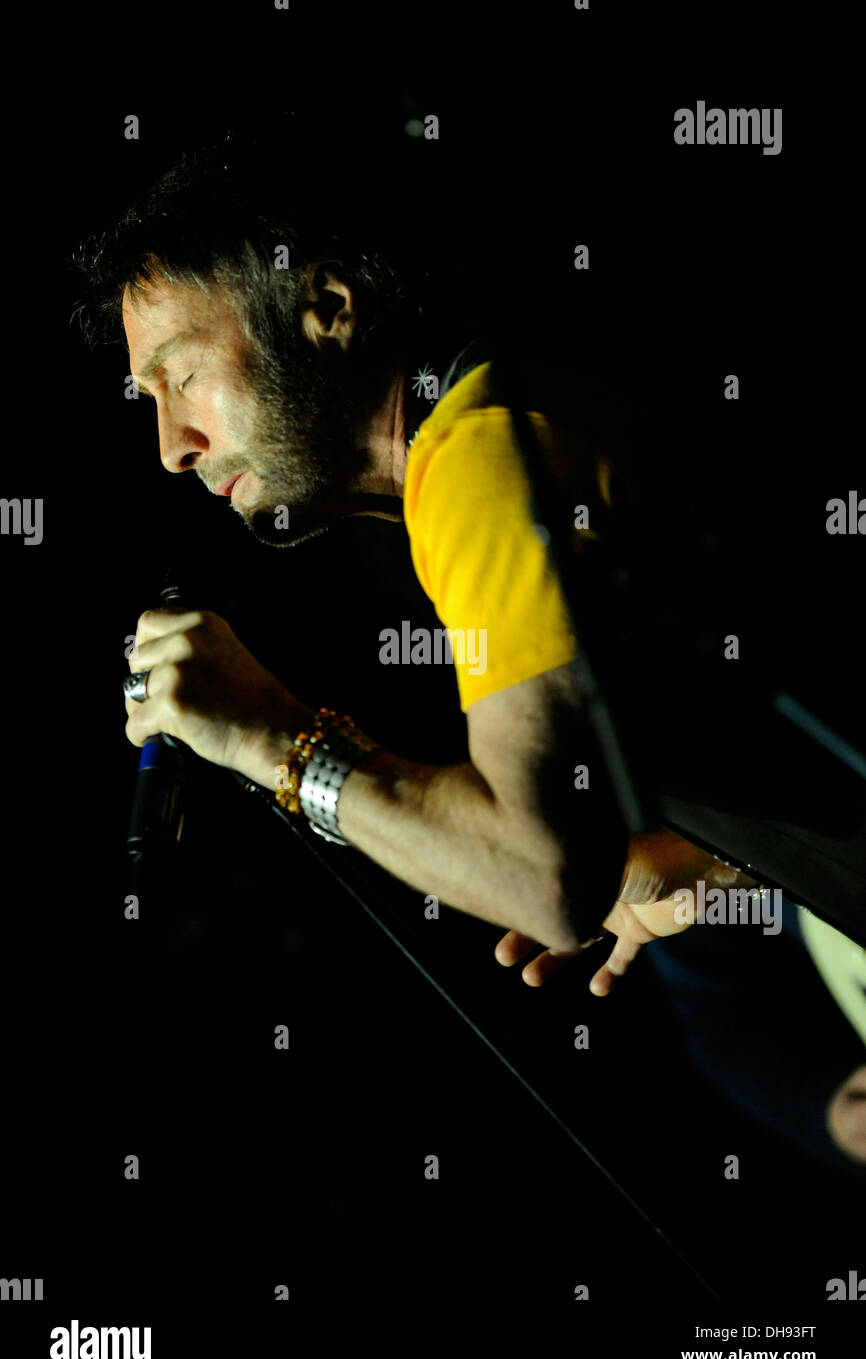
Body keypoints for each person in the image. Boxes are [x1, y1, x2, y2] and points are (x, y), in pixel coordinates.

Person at [74, 141, 772, 992]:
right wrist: (721, 865)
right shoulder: (494, 407)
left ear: (327, 306)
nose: (170, 450)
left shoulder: (478, 459)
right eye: (151, 402)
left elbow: (545, 884)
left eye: (182, 375)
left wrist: (269, 737)